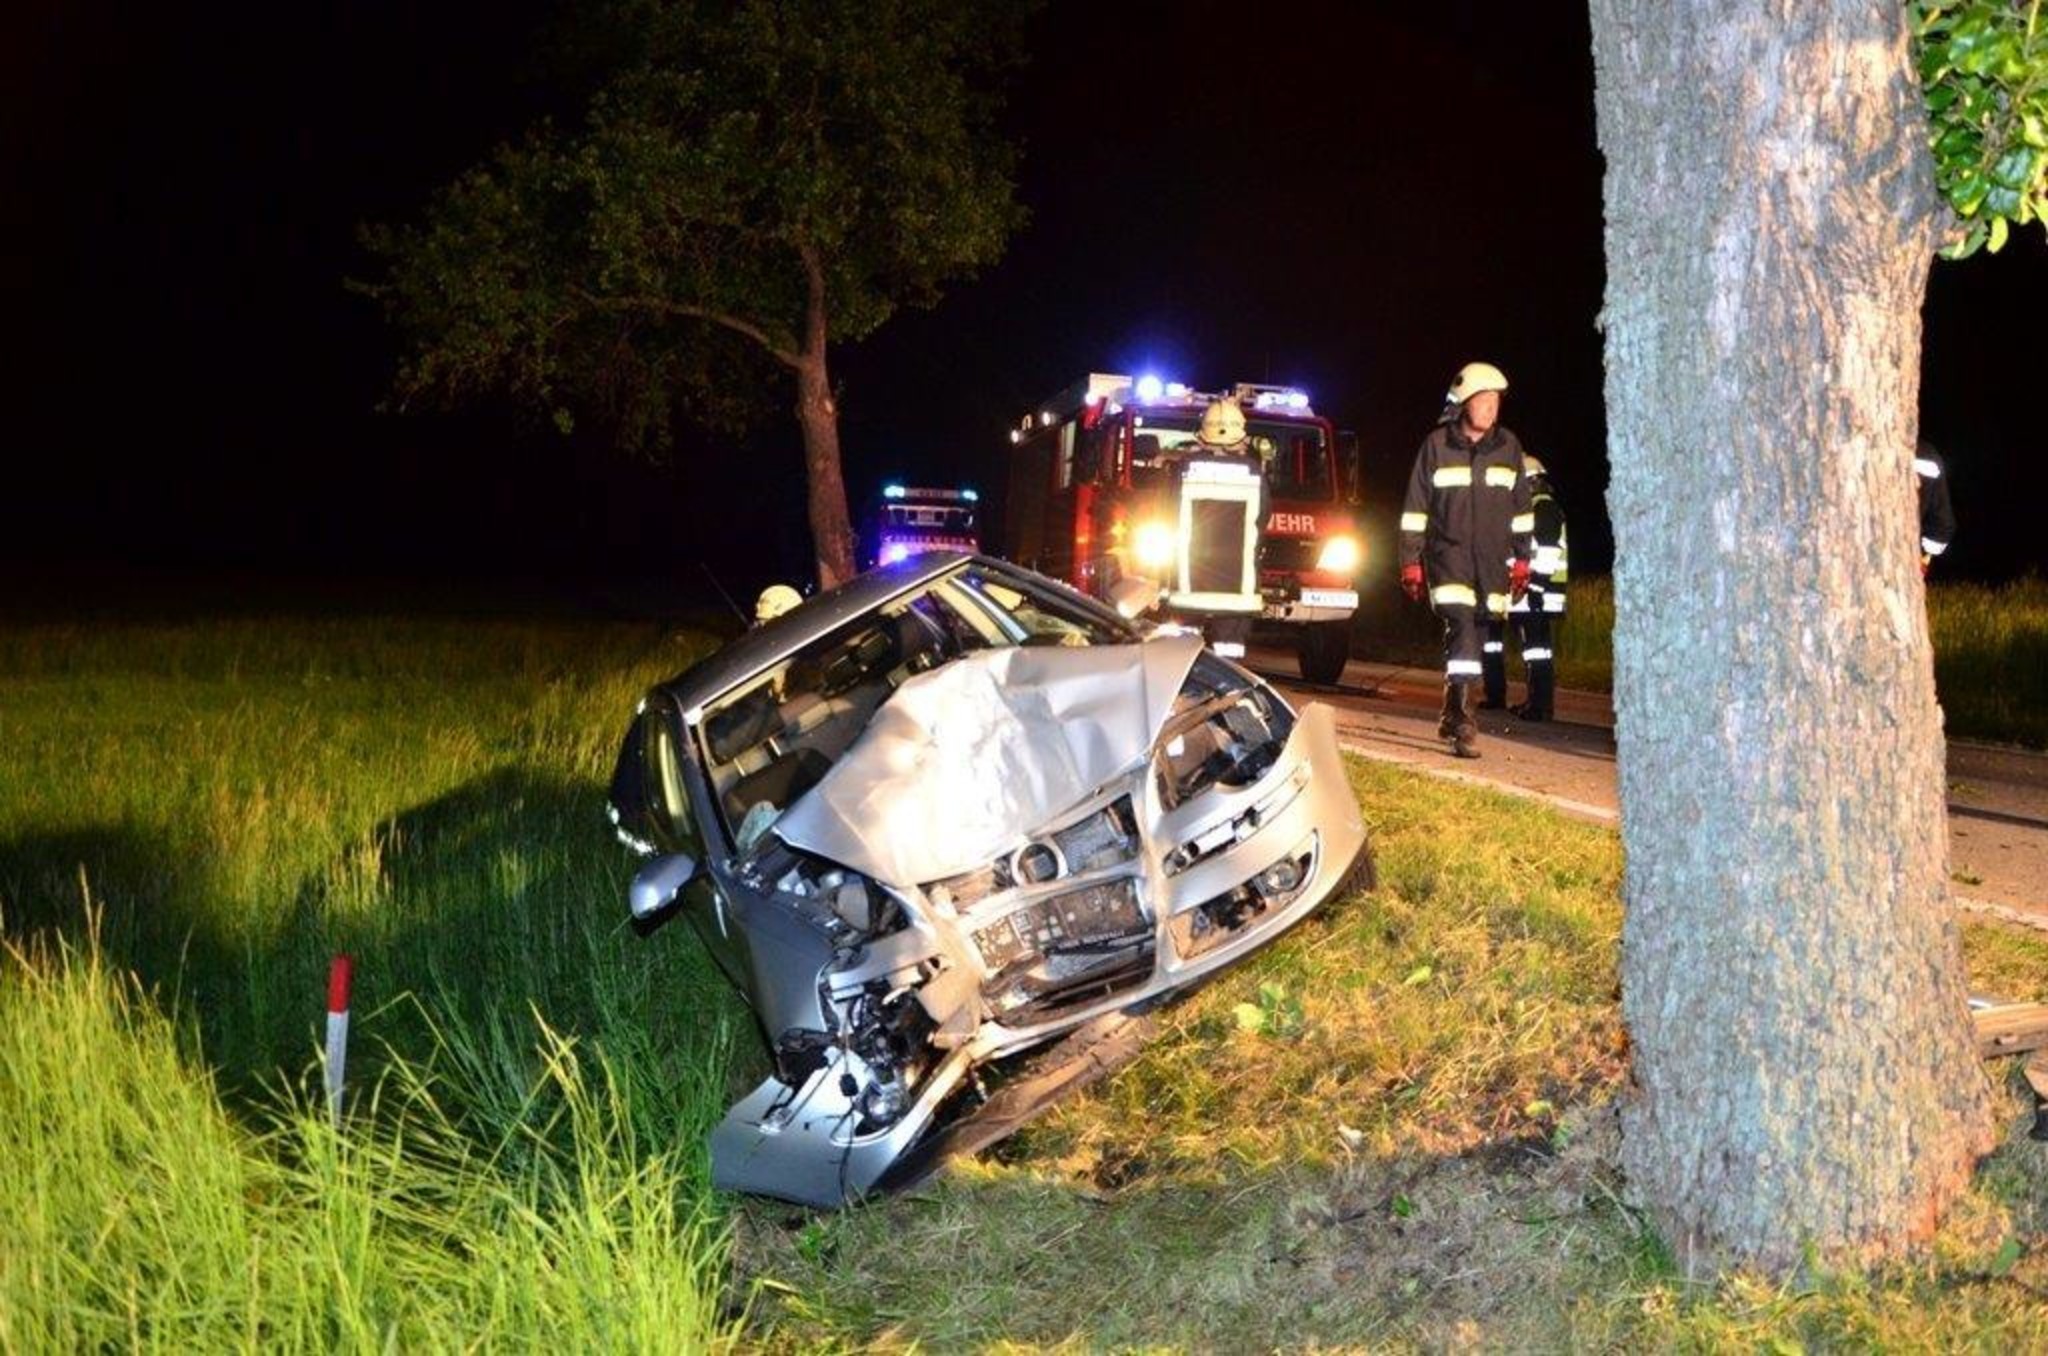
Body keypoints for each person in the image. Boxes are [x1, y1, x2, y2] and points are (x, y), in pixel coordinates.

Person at [1398, 361, 1535, 759]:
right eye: (1483, 400)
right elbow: (1415, 509)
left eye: (1496, 401)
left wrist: (1522, 561)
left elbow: (1522, 509)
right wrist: (1410, 562)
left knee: (1473, 632)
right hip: (1448, 558)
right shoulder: (1436, 447)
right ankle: (1462, 722)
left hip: (1492, 564)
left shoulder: (1508, 448)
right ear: (1463, 404)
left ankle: (1449, 712)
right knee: (1462, 628)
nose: (1491, 408)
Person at [1480, 453, 1568, 720]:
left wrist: (1537, 589)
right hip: (1531, 593)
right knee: (1535, 652)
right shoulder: (1534, 509)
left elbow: (1548, 553)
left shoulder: (1543, 509)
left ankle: (1540, 707)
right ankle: (1535, 704)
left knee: (1538, 653)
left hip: (1539, 594)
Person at [1916, 440, 1955, 576]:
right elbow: (1943, 524)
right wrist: (1925, 559)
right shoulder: (1926, 454)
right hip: (1904, 555)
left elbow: (1944, 525)